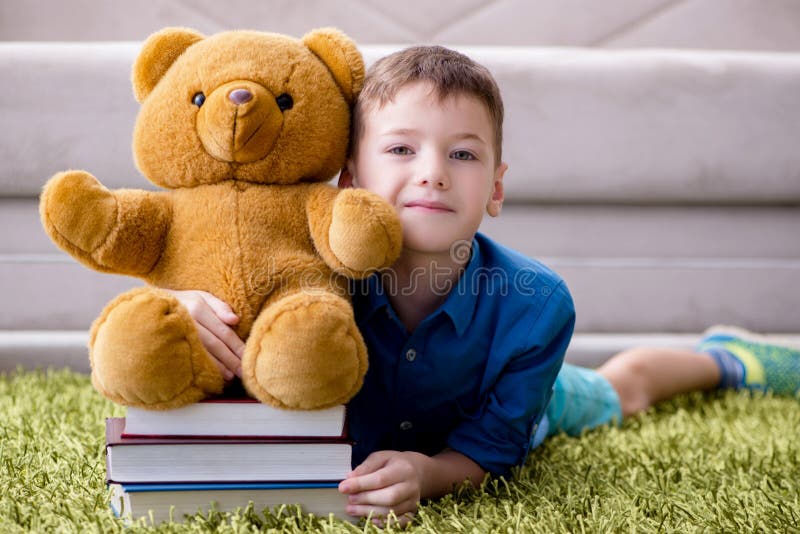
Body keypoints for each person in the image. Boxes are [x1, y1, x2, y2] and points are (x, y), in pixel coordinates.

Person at [168, 45, 800, 525]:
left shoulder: (535, 305)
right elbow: (218, 301)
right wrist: (183, 307)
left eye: (463, 155)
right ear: (349, 181)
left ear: (495, 188)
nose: (433, 174)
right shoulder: (301, 274)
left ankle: (726, 358)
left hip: (508, 406)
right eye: (401, 150)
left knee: (619, 391)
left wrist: (433, 472)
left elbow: (496, 449)